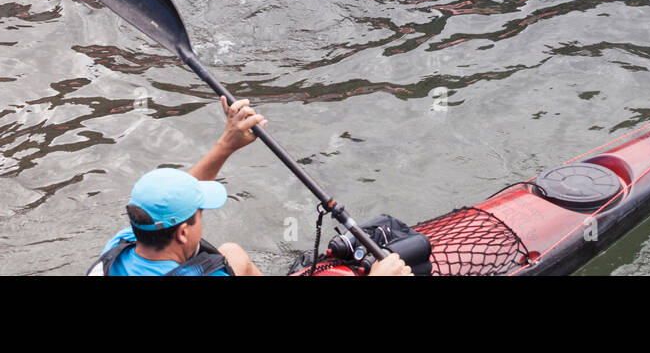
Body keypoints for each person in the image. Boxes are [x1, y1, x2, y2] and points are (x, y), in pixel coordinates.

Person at [90, 97, 411, 276]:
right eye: (199, 214)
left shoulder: (120, 246)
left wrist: (226, 145)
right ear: (183, 233)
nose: (203, 217)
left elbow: (172, 195)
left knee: (233, 254)